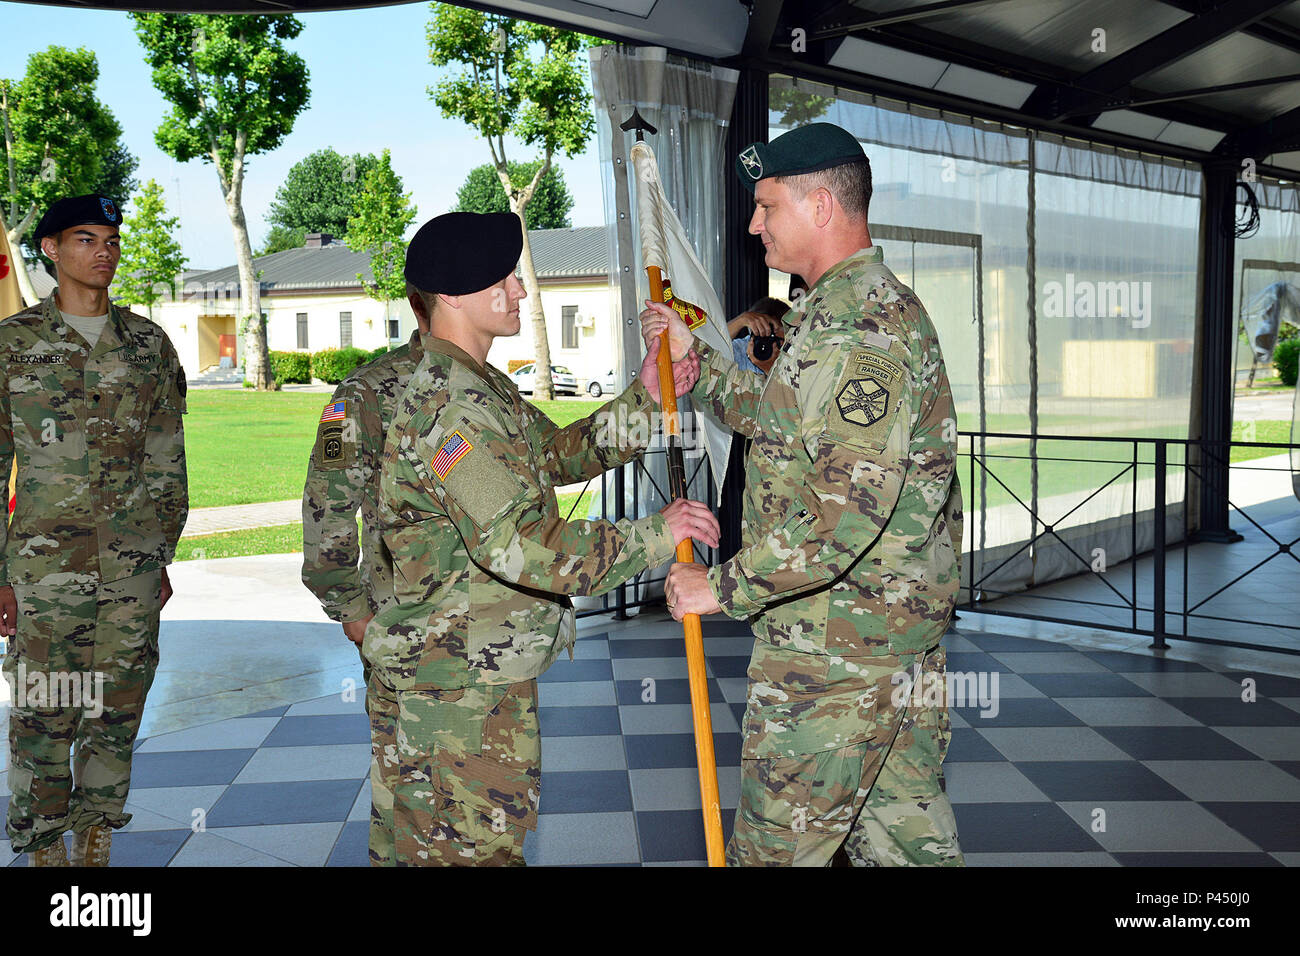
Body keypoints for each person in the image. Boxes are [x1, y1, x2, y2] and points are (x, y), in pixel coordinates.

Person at [645, 122, 965, 867]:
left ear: (822, 207)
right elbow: (786, 425)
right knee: (909, 854)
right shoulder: (835, 314)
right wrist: (703, 368)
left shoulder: (863, 332)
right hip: (881, 652)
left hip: (833, 669)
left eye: (767, 207)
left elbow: (841, 523)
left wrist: (717, 587)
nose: (755, 224)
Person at [367, 211, 718, 866]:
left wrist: (643, 396)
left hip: (466, 682)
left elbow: (553, 455)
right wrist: (653, 538)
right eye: (506, 279)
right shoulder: (447, 410)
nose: (522, 292)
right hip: (455, 705)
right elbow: (519, 546)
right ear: (453, 295)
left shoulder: (480, 387)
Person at [0, 194, 188, 866]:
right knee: (46, 709)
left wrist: (158, 553)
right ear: (49, 249)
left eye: (110, 240)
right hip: (44, 570)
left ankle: (98, 826)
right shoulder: (13, 345)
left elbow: (167, 454)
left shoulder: (146, 344)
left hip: (131, 565)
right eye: (85, 239)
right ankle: (45, 837)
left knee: (116, 705)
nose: (102, 252)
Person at [728, 296, 787, 376]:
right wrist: (741, 320)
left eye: (772, 336)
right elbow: (709, 348)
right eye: (760, 334)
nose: (766, 342)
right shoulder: (742, 348)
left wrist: (769, 369)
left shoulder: (798, 351)